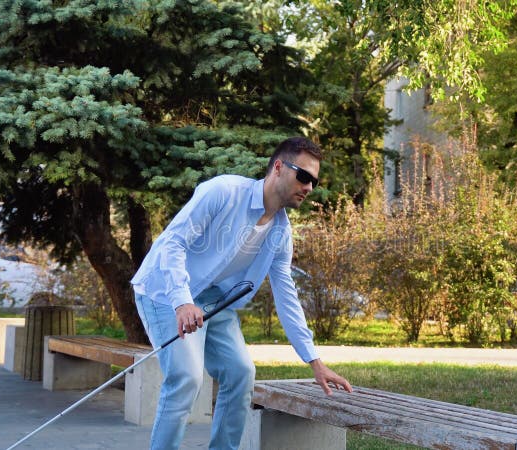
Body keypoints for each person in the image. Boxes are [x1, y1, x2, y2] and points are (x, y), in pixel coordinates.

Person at [130, 137, 353, 450]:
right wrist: (182, 302)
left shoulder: (279, 232)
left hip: (214, 301)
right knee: (186, 378)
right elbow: (172, 243)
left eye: (314, 181)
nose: (309, 187)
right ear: (278, 167)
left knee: (241, 373)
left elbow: (286, 295)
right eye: (303, 176)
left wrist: (314, 362)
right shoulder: (223, 192)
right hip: (164, 291)